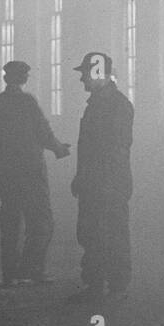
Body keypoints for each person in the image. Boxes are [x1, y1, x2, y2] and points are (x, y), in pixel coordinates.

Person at [0, 60, 70, 285]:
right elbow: (42, 130)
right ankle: (32, 269)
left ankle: (9, 272)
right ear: (22, 78)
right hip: (30, 169)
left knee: (10, 220)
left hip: (7, 168)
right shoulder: (27, 102)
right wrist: (59, 148)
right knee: (41, 220)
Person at [70, 51, 134, 302]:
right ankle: (97, 284)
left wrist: (95, 179)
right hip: (98, 182)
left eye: (85, 73)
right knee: (92, 232)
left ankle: (115, 285)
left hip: (108, 183)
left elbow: (112, 148)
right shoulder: (103, 104)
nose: (82, 79)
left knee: (112, 232)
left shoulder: (116, 106)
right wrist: (82, 177)